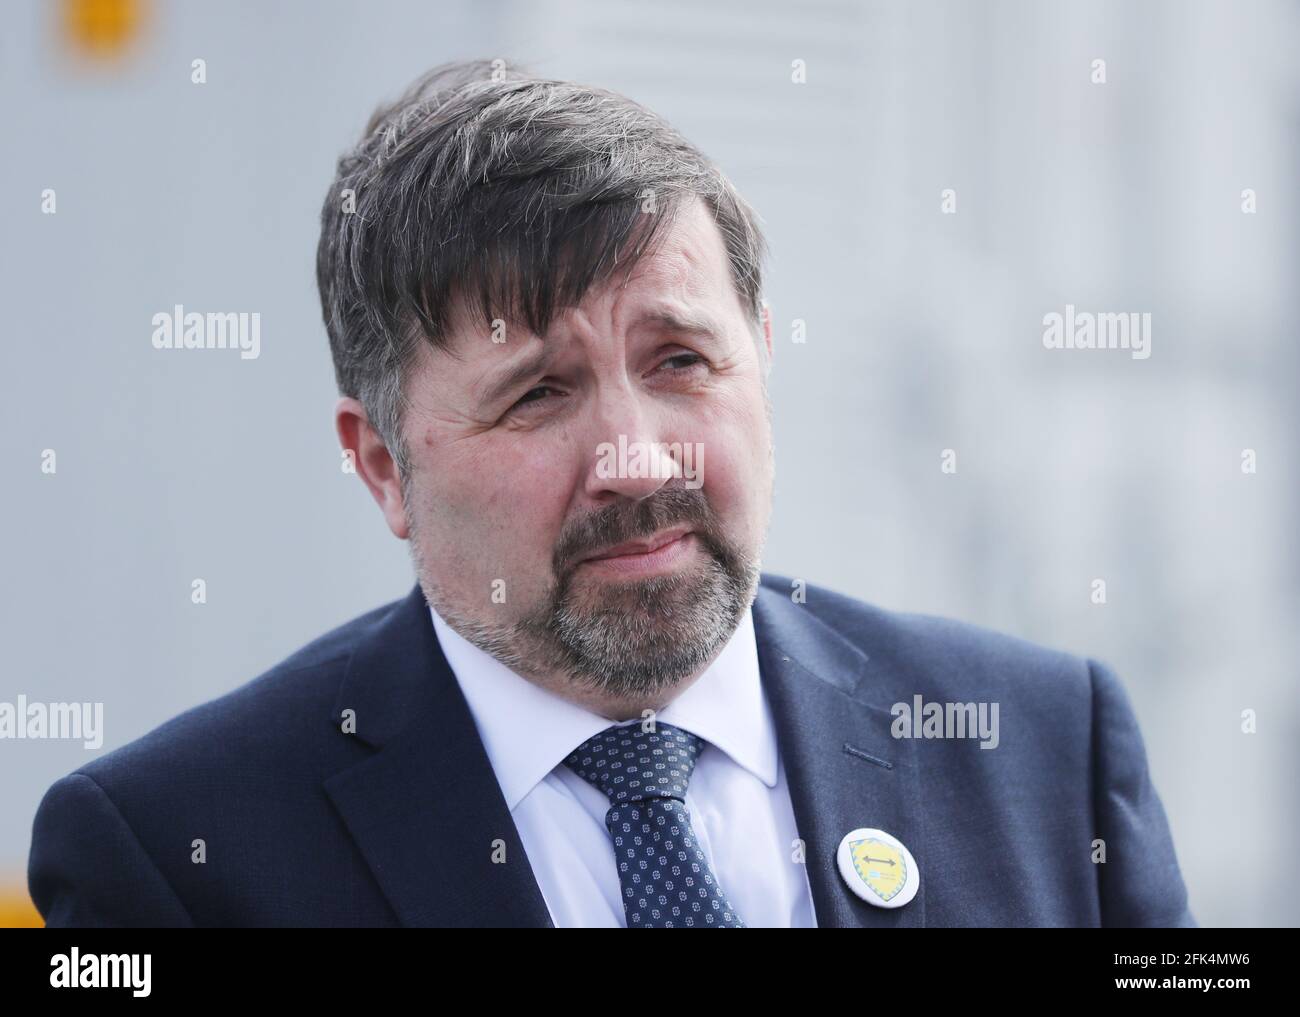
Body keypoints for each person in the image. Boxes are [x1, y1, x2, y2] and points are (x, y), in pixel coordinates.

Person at [27, 58, 1194, 928]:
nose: (636, 461)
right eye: (538, 395)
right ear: (382, 462)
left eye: (679, 362)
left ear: (762, 358)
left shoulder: (1044, 753)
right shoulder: (174, 859)